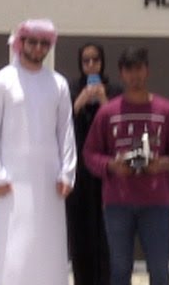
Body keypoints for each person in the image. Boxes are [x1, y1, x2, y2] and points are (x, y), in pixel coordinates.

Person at [0, 19, 76, 285]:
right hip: (11, 181)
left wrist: (67, 173)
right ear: (21, 42)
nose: (38, 48)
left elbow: (66, 131)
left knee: (49, 248)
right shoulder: (2, 81)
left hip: (50, 181)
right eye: (32, 42)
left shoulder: (58, 83)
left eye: (44, 43)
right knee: (13, 247)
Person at [82, 46, 169, 285]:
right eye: (129, 70)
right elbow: (89, 153)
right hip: (117, 203)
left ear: (147, 71)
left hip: (156, 203)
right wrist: (112, 165)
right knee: (119, 270)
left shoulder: (167, 111)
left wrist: (160, 164)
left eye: (138, 69)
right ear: (121, 73)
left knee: (159, 270)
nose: (134, 76)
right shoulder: (107, 113)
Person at [66, 42, 122, 285]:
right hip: (79, 171)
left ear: (102, 62)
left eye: (95, 60)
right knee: (80, 229)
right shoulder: (70, 90)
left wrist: (103, 100)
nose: (91, 65)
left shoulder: (115, 90)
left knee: (106, 231)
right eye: (86, 61)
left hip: (106, 169)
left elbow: (120, 125)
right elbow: (60, 125)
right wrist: (78, 103)